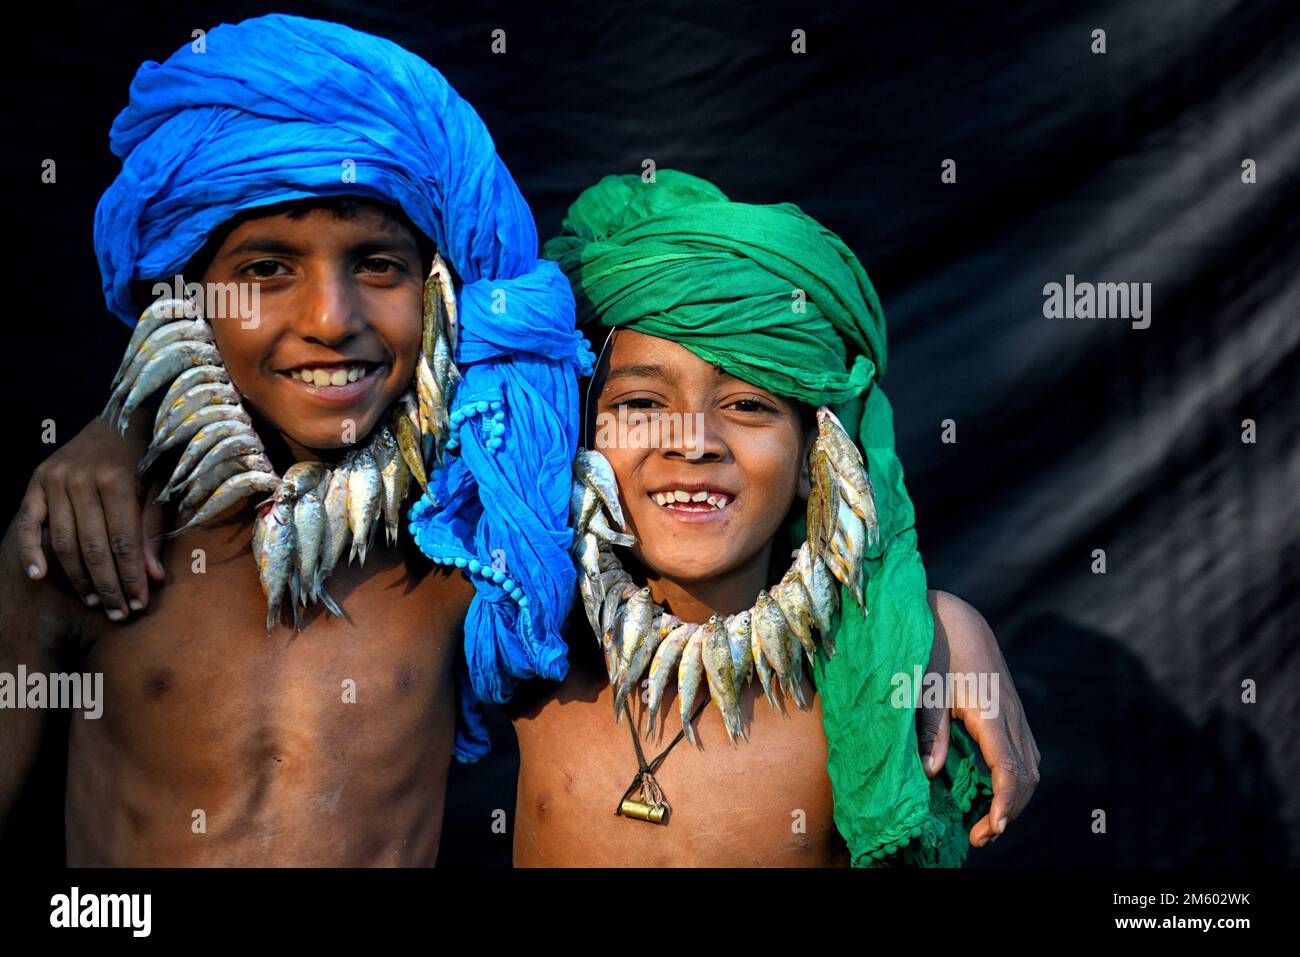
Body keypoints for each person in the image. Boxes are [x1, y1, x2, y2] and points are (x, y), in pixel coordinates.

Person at [0, 14, 589, 864]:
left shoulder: (471, 541)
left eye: (378, 264)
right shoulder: (88, 541)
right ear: (188, 298)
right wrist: (124, 423)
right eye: (266, 269)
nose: (330, 320)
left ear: (438, 295)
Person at [502, 171, 1039, 866]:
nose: (693, 441)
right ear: (584, 434)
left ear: (819, 463)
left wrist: (936, 616)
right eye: (641, 404)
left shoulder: (867, 697)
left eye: (749, 405)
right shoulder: (528, 638)